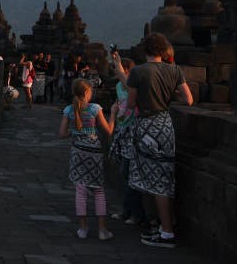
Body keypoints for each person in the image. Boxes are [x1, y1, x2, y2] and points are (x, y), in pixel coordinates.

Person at [125, 32, 193, 248]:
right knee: (163, 176)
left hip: (146, 126)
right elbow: (188, 99)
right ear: (163, 51)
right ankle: (161, 225)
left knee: (152, 181)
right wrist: (167, 94)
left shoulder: (137, 71)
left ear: (145, 49)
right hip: (165, 125)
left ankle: (165, 231)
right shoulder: (174, 70)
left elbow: (130, 103)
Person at [59, 79, 118, 241]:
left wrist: (74, 133)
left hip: (78, 152)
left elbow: (62, 133)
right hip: (94, 152)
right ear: (87, 93)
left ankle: (83, 228)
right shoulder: (95, 109)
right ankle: (102, 230)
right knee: (98, 190)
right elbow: (108, 131)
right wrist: (113, 113)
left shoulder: (69, 110)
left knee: (80, 190)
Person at [109, 53, 145, 226]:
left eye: (120, 71)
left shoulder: (135, 87)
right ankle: (127, 211)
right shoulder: (118, 86)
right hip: (122, 132)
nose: (117, 73)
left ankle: (135, 213)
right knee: (125, 173)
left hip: (134, 133)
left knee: (128, 172)